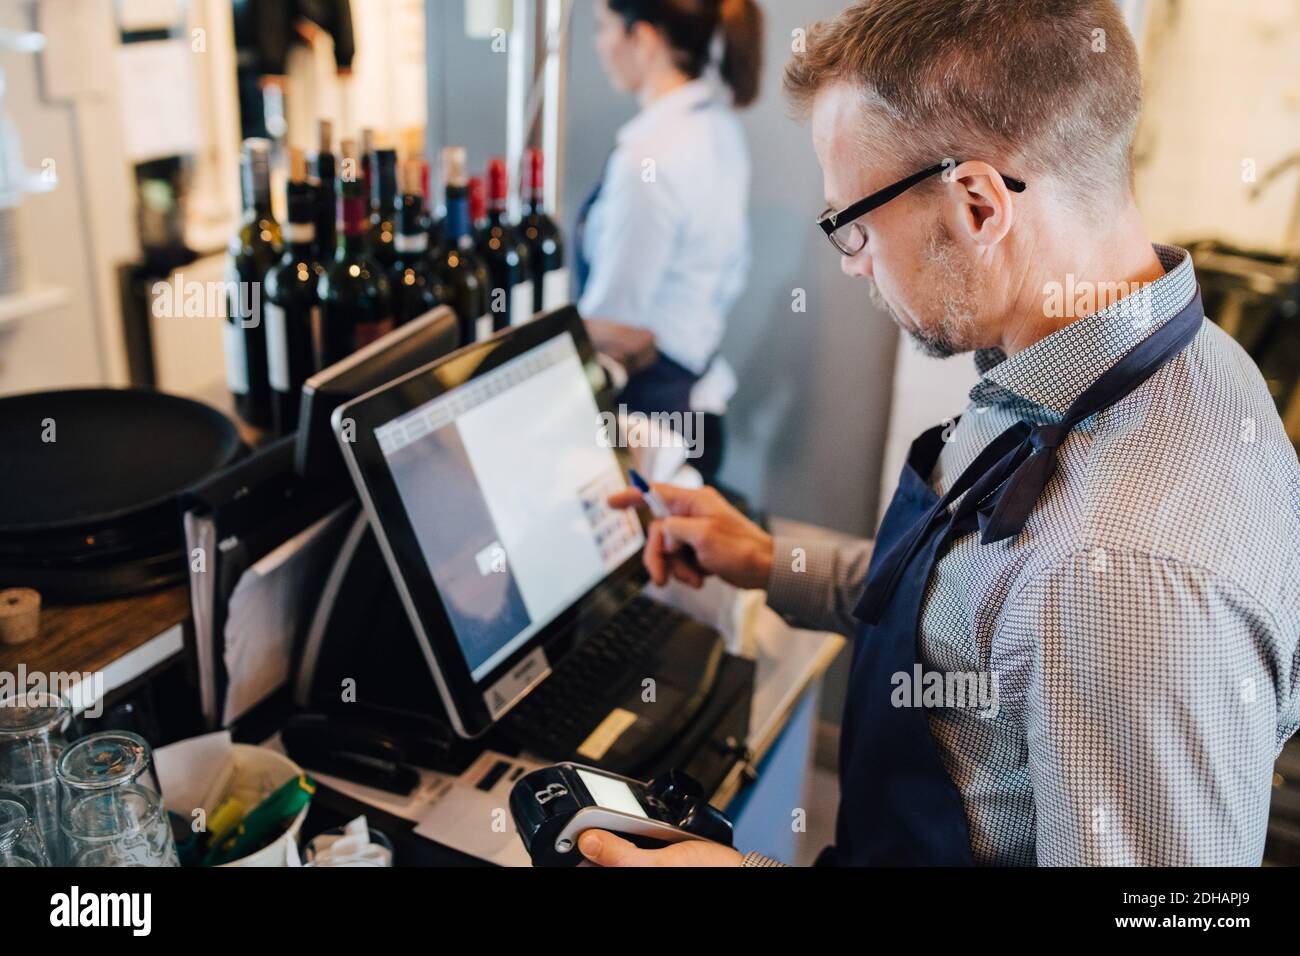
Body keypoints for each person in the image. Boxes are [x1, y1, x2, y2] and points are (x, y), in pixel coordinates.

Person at [580, 0, 1300, 867]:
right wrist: (771, 560)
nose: (853, 264)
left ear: (977, 204)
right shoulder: (1154, 347)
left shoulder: (1121, 578)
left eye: (854, 224)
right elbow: (975, 608)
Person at [578, 0, 764, 483]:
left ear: (643, 38)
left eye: (603, 27)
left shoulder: (647, 157)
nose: (598, 43)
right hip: (700, 415)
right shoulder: (718, 126)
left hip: (651, 424)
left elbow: (616, 321)